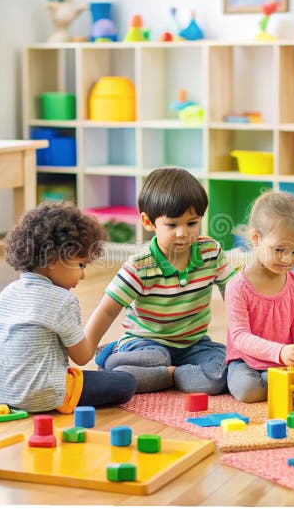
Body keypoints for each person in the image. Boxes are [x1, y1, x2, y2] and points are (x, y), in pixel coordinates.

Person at [89, 167, 236, 394]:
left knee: (220, 372)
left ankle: (168, 374)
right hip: (146, 343)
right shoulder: (140, 265)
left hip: (193, 344)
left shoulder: (211, 252)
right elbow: (107, 310)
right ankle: (113, 355)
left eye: (192, 223)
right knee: (158, 356)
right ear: (148, 222)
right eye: (172, 225)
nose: (182, 233)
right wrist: (86, 347)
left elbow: (234, 294)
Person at [0, 201, 137, 413]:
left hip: (3, 394)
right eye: (81, 264)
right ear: (52, 259)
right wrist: (105, 316)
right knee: (125, 382)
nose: (83, 275)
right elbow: (82, 357)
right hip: (45, 396)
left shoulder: (8, 292)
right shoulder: (62, 300)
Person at [225, 191, 294, 403]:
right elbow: (240, 337)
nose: (288, 259)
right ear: (256, 238)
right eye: (280, 250)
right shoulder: (237, 287)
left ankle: (283, 384)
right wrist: (280, 351)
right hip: (247, 362)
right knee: (248, 390)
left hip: (285, 361)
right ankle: (285, 388)